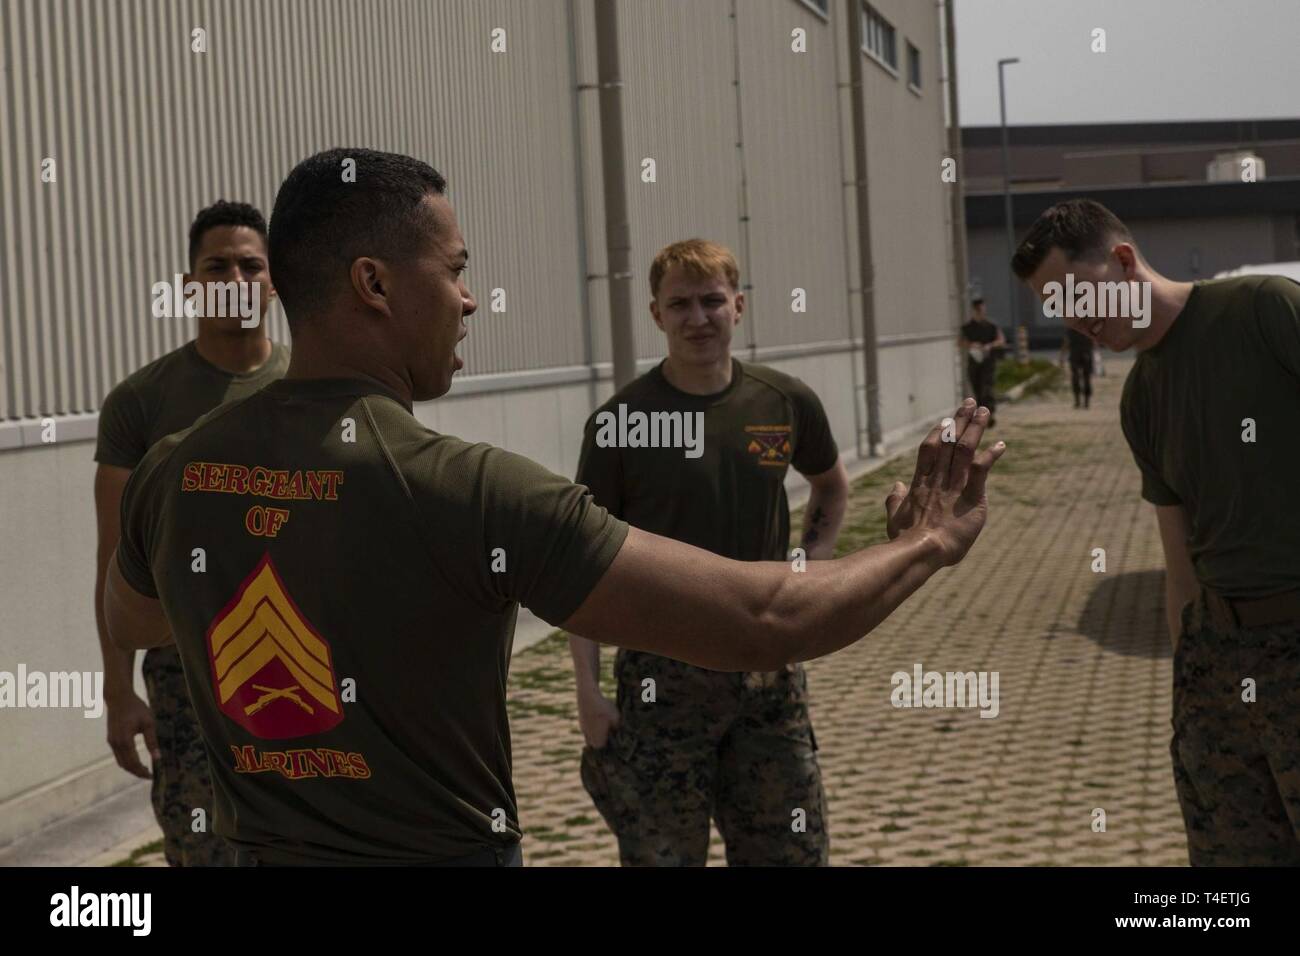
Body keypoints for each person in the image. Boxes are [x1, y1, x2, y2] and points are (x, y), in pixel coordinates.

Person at [104, 147, 1005, 867]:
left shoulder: (176, 470)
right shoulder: (470, 491)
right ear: (375, 285)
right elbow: (763, 618)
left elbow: (139, 618)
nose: (467, 299)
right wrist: (926, 543)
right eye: (456, 271)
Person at [1012, 197, 1300, 866]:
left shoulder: (1264, 310)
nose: (1074, 321)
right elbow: (1179, 557)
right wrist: (1191, 681)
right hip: (1217, 664)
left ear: (1120, 260)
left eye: (1075, 296)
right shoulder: (1141, 396)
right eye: (1055, 308)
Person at [570, 238, 850, 866]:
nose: (698, 318)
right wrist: (588, 691)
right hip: (660, 682)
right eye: (680, 305)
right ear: (655, 314)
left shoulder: (783, 402)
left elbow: (831, 485)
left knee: (789, 854)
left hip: (767, 669)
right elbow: (581, 562)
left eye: (712, 301)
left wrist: (808, 564)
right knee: (662, 857)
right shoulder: (621, 422)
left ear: (739, 306)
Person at [93, 200, 287, 867]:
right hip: (187, 677)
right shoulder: (142, 402)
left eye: (250, 265)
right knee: (203, 849)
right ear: (189, 286)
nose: (234, 278)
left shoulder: (317, 388)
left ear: (275, 282)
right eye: (216, 266)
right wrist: (119, 691)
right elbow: (114, 558)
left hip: (300, 666)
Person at [958, 297, 1005, 426]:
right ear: (973, 311)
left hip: (988, 362)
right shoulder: (967, 327)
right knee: (977, 389)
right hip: (974, 362)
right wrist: (972, 344)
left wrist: (990, 345)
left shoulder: (991, 326)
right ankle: (981, 414)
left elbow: (1001, 340)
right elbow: (960, 342)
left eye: (982, 309)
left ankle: (990, 415)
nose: (980, 312)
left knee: (987, 388)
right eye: (977, 309)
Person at [1059, 327, 1093, 408]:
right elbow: (1094, 341)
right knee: (1085, 378)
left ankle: (1079, 401)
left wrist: (1062, 356)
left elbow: (1066, 342)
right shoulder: (1087, 327)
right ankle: (1085, 402)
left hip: (1076, 354)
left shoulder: (1072, 327)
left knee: (1077, 378)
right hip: (1085, 354)